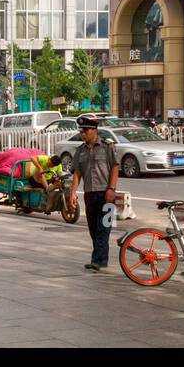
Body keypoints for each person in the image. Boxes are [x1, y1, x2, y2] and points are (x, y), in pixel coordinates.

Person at [68, 114, 119, 271]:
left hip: (106, 194)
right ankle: (99, 259)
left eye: (86, 131)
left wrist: (111, 189)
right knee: (93, 229)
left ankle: (98, 260)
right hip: (90, 195)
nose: (83, 134)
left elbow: (115, 168)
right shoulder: (80, 151)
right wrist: (73, 193)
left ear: (94, 130)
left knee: (104, 228)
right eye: (81, 131)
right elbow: (77, 173)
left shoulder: (107, 147)